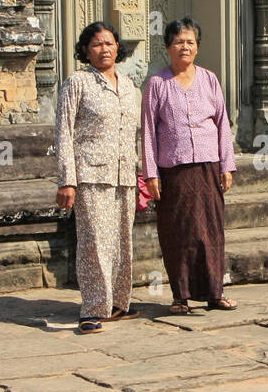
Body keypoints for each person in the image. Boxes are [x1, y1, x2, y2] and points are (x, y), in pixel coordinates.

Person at [142, 17, 237, 314]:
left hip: (208, 166)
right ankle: (180, 296)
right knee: (178, 232)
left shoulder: (210, 79)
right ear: (168, 47)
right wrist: (151, 174)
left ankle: (214, 292)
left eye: (190, 42)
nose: (185, 47)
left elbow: (222, 124)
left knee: (211, 231)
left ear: (197, 47)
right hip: (173, 169)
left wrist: (227, 165)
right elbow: (147, 131)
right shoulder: (157, 84)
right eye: (179, 41)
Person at [54, 22, 142, 333]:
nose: (104, 49)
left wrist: (142, 173)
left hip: (124, 176)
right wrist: (67, 179)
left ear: (118, 47)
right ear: (85, 51)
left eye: (109, 43)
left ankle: (117, 304)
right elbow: (64, 132)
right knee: (94, 243)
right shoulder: (77, 83)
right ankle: (91, 308)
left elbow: (136, 134)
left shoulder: (130, 86)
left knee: (121, 242)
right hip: (90, 174)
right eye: (96, 45)